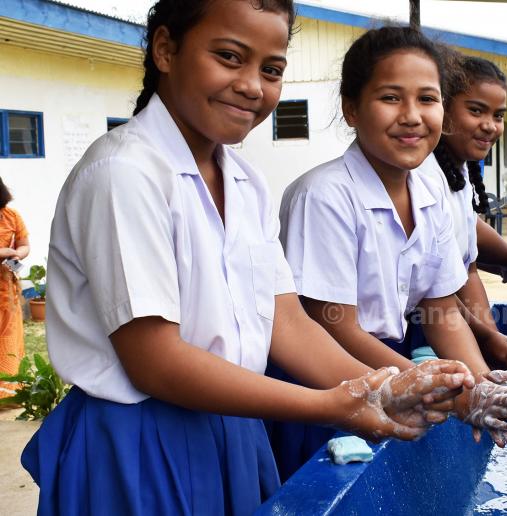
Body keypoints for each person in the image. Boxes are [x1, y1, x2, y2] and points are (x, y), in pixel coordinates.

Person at [21, 3, 475, 514]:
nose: (252, 85)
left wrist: (378, 388)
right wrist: (332, 405)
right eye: (229, 57)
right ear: (166, 50)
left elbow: (287, 321)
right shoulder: (125, 172)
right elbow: (155, 362)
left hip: (233, 428)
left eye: (272, 69)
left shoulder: (242, 180)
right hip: (141, 442)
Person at [277, 26, 507, 478]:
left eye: (427, 99)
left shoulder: (430, 186)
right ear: (352, 109)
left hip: (391, 366)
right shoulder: (323, 196)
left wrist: (479, 383)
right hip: (326, 379)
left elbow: (441, 306)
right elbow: (333, 325)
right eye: (391, 98)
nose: (412, 116)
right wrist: (445, 390)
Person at [421, 51, 507, 380]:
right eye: (476, 110)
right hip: (418, 333)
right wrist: (486, 341)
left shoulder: (458, 171)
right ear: (444, 107)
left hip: (447, 325)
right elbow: (437, 296)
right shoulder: (423, 179)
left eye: (498, 115)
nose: (490, 125)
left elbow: (468, 250)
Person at [0, 177, 29, 399]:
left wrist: (18, 253)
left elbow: (24, 244)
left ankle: (8, 392)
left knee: (9, 334)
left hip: (6, 288)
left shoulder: (12, 216)